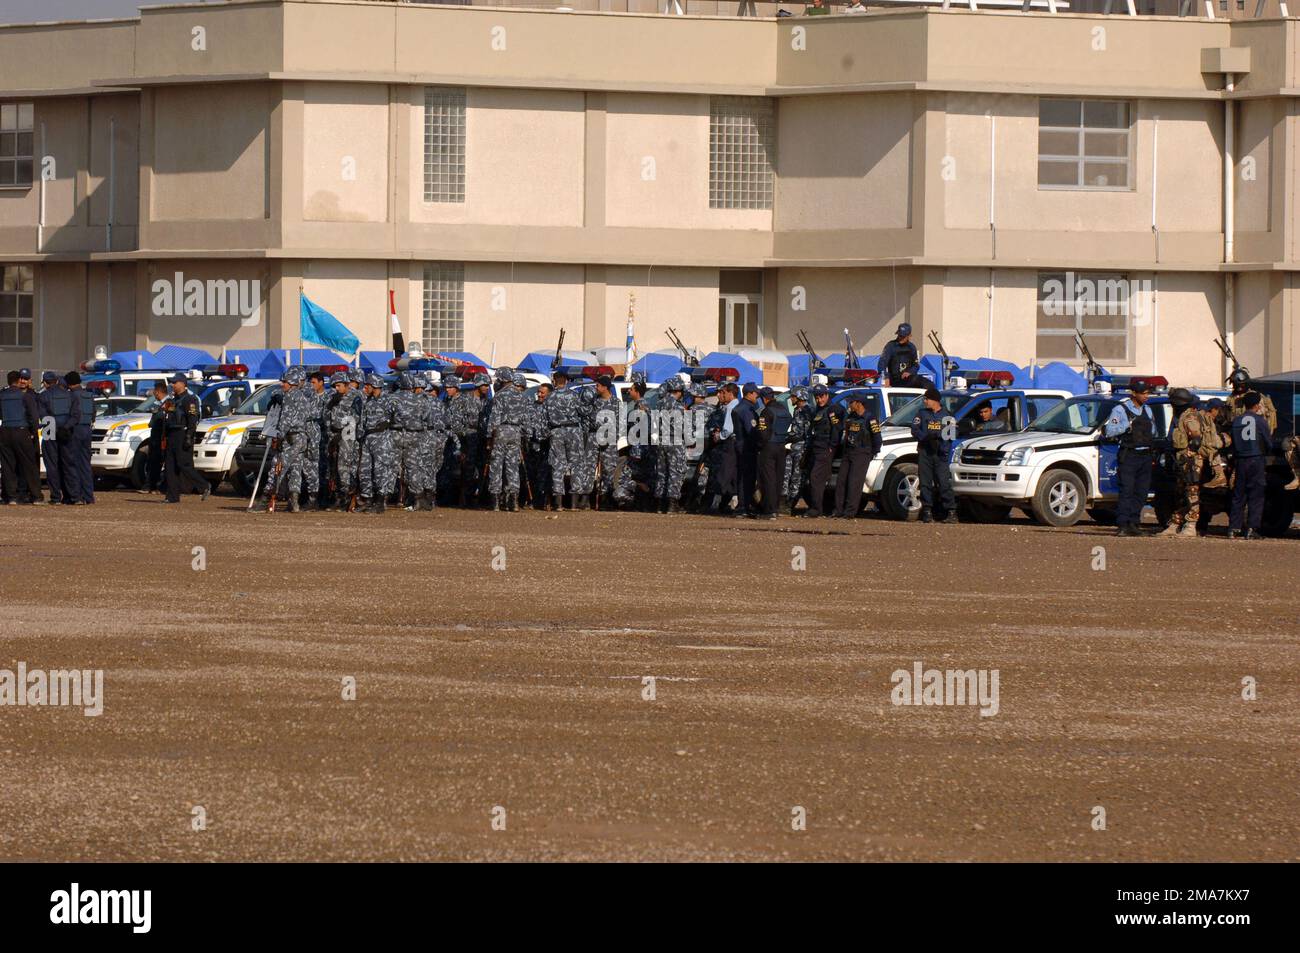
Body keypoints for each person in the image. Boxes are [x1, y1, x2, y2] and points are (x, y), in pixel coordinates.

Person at [1162, 388, 1224, 539]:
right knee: (1182, 493)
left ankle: (1190, 525)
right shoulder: (1185, 415)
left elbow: (1196, 438)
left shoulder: (1189, 417)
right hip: (1184, 460)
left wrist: (1188, 455)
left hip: (1191, 461)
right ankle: (1176, 523)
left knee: (1192, 493)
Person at [1103, 379, 1156, 537]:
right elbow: (1109, 430)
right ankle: (1123, 524)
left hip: (1145, 455)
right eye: (1143, 393)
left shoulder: (1148, 410)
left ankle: (1134, 523)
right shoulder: (1120, 410)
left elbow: (1152, 431)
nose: (1146, 396)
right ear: (1134, 393)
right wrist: (1126, 427)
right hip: (1129, 455)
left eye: (1148, 393)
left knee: (1141, 492)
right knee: (1127, 490)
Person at [161, 372, 210, 504]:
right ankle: (172, 496)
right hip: (172, 435)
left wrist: (189, 436)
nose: (173, 385)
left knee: (184, 465)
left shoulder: (190, 399)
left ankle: (204, 485)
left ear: (183, 383)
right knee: (170, 467)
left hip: (182, 435)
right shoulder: (172, 400)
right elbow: (168, 417)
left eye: (175, 382)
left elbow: (192, 419)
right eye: (172, 382)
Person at [1229, 392, 1271, 540]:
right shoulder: (1260, 421)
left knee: (1238, 494)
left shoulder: (1236, 420)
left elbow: (1232, 442)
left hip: (1240, 460)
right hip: (1256, 459)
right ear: (1256, 405)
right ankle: (1252, 528)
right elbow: (1267, 441)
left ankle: (1233, 528)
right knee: (1256, 495)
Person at [486, 368, 530, 511]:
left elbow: (494, 418)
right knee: (513, 467)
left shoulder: (499, 396)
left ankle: (496, 502)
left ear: (502, 380)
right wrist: (526, 436)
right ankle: (513, 502)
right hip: (516, 432)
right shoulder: (523, 396)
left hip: (501, 431)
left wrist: (489, 437)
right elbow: (526, 420)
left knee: (497, 466)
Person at [833, 393, 882, 519]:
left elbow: (877, 438)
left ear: (858, 403)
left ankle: (850, 512)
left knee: (854, 483)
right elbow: (847, 433)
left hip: (862, 454)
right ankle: (838, 510)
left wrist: (871, 453)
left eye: (851, 402)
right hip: (849, 452)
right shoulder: (851, 417)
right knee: (841, 481)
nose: (849, 404)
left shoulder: (870, 419)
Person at [911, 388, 956, 523]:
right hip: (925, 452)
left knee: (943, 483)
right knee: (925, 483)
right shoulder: (922, 414)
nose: (925, 401)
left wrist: (940, 441)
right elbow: (914, 429)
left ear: (935, 400)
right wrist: (926, 437)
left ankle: (951, 511)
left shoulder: (947, 416)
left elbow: (951, 435)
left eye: (927, 399)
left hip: (940, 454)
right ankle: (927, 511)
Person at [544, 369, 585, 510]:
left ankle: (559, 504)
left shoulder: (549, 397)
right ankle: (574, 503)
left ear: (555, 381)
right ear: (566, 381)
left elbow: (544, 418)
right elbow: (583, 412)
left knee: (557, 467)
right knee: (576, 466)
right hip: (573, 431)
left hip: (556, 432)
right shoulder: (574, 395)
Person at [0, 369, 43, 505]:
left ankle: (11, 497)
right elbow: (34, 417)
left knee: (7, 466)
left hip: (5, 431)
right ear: (19, 380)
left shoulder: (2, 395)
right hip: (22, 431)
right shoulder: (25, 396)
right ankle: (36, 496)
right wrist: (32, 432)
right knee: (29, 465)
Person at [357, 372, 397, 514]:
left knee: (380, 471)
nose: (364, 389)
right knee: (364, 471)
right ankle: (367, 500)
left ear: (375, 386)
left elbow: (397, 417)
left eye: (367, 386)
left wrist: (387, 423)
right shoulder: (368, 400)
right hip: (367, 438)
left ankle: (380, 501)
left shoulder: (388, 399)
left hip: (381, 438)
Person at [391, 372, 431, 510]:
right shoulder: (420, 400)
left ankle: (382, 500)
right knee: (413, 468)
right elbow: (427, 418)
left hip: (395, 435)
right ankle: (418, 498)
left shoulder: (392, 398)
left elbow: (386, 416)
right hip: (414, 436)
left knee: (390, 467)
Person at [803, 384, 844, 518]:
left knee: (816, 478)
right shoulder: (818, 410)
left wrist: (832, 446)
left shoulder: (833, 410)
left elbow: (837, 429)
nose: (819, 399)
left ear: (827, 395)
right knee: (815, 479)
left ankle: (816, 509)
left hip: (825, 449)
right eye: (817, 397)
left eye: (821, 396)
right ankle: (820, 507)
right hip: (816, 448)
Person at [325, 371, 363, 512]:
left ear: (347, 384)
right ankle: (339, 497)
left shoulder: (355, 397)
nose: (336, 388)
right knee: (335, 469)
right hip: (335, 436)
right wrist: (332, 435)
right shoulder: (334, 397)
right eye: (335, 386)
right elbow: (327, 418)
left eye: (339, 385)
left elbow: (356, 419)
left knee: (345, 467)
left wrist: (341, 434)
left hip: (348, 437)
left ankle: (347, 498)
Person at [752, 387, 791, 520]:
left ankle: (769, 511)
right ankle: (775, 507)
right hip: (781, 447)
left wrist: (759, 446)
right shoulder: (784, 410)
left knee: (768, 479)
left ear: (764, 398)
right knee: (778, 479)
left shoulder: (766, 411)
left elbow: (763, 434)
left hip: (768, 448)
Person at [653, 377, 690, 514]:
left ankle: (659, 505)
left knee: (662, 472)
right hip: (675, 441)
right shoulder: (678, 406)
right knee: (675, 473)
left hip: (661, 441)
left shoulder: (659, 404)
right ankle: (672, 505)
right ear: (679, 390)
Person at [36, 370, 72, 504]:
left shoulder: (43, 396)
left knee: (51, 465)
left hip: (49, 430)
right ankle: (69, 496)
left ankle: (55, 497)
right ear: (57, 381)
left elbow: (43, 417)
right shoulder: (68, 395)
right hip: (65, 431)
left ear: (45, 383)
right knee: (66, 464)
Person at [705, 381, 739, 514]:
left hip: (730, 443)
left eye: (723, 393)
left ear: (730, 394)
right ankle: (734, 502)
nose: (721, 395)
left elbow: (728, 429)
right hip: (735, 444)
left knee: (724, 473)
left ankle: (717, 503)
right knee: (733, 473)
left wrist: (719, 436)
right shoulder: (735, 406)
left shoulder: (731, 408)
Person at [63, 370, 96, 504]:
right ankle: (89, 496)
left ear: (69, 383)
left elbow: (70, 414)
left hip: (75, 430)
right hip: (87, 429)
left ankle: (77, 496)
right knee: (86, 464)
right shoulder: (88, 395)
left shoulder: (70, 396)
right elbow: (93, 413)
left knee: (73, 464)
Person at [783, 386, 812, 515]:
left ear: (800, 396)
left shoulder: (807, 411)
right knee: (786, 474)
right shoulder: (797, 410)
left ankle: (790, 504)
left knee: (797, 477)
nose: (791, 399)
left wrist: (806, 452)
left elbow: (807, 434)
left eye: (793, 396)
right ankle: (783, 500)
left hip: (801, 449)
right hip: (793, 447)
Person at [733, 382, 760, 516]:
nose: (757, 397)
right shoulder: (746, 409)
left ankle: (744, 505)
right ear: (749, 394)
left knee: (743, 476)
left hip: (741, 445)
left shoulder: (740, 407)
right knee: (747, 478)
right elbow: (752, 430)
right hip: (747, 447)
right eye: (756, 394)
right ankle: (744, 506)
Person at [142, 382, 169, 495]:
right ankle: (151, 486)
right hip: (155, 438)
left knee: (158, 463)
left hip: (161, 438)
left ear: (158, 392)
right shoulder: (159, 404)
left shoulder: (168, 403)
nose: (154, 394)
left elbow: (166, 420)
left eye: (155, 392)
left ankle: (156, 486)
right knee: (153, 462)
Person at [878, 323, 923, 387]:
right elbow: (882, 363)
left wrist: (910, 372)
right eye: (899, 335)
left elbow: (916, 365)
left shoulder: (912, 347)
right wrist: (885, 377)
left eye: (903, 336)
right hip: (895, 381)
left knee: (923, 382)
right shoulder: (890, 346)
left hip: (908, 380)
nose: (900, 338)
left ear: (909, 336)